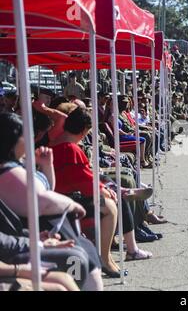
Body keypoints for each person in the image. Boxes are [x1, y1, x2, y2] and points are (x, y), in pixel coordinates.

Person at [0, 112, 103, 290]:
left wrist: (46, 165)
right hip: (46, 228)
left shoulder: (20, 164)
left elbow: (48, 188)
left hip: (53, 229)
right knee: (76, 260)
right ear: (13, 140)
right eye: (25, 135)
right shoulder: (8, 172)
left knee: (84, 254)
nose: (31, 138)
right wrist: (72, 205)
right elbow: (40, 201)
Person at [51, 107, 152, 277]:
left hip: (64, 194)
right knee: (110, 206)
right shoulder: (71, 149)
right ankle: (105, 258)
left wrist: (103, 188)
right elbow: (83, 180)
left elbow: (82, 176)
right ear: (84, 130)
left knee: (115, 195)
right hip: (67, 198)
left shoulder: (59, 142)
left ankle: (115, 254)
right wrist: (102, 190)